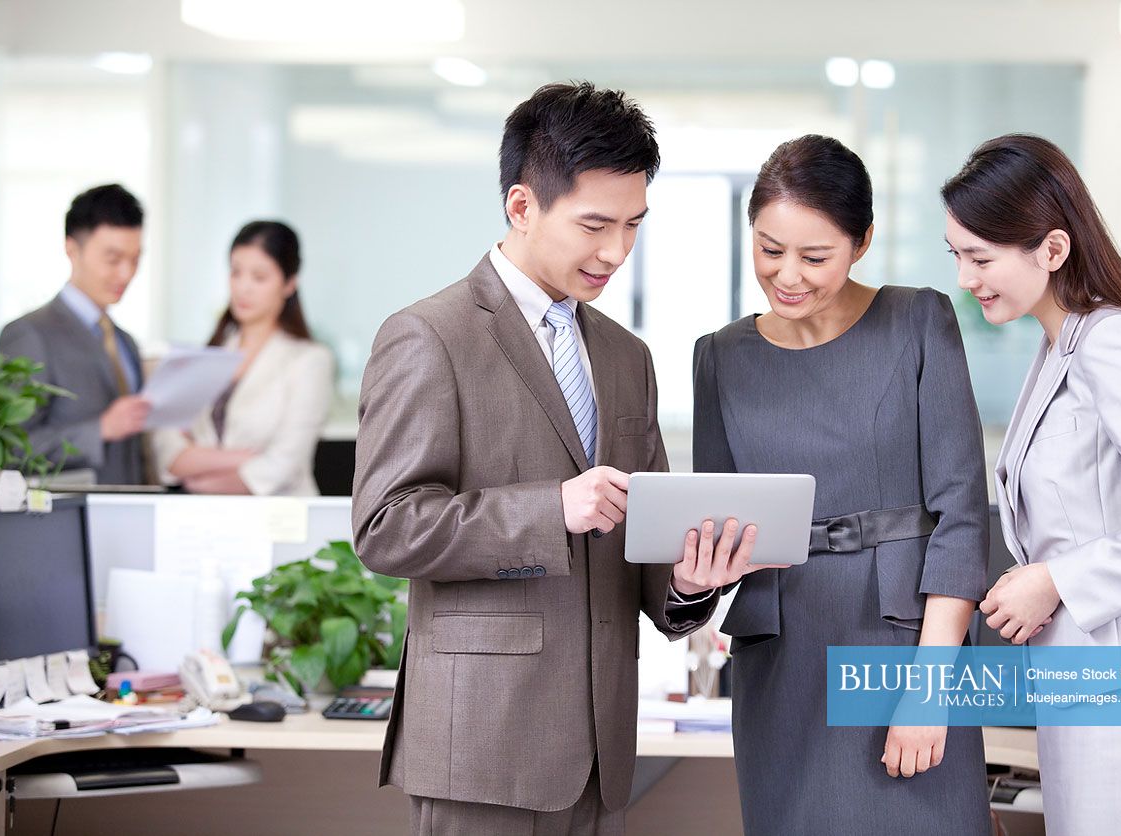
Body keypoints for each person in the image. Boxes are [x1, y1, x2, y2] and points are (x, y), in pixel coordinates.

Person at [352, 81, 763, 835]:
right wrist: (550, 509)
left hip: (602, 749)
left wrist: (689, 579)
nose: (617, 252)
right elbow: (386, 528)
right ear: (521, 207)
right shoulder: (428, 336)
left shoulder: (624, 355)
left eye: (634, 225)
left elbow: (640, 538)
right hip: (483, 743)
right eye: (595, 225)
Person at [693, 135, 992, 835]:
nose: (787, 274)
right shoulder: (718, 357)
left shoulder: (917, 321)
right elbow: (716, 520)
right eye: (769, 249)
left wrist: (928, 687)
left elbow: (960, 514)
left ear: (860, 243)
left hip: (901, 644)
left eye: (814, 255)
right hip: (781, 654)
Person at [944, 133, 1121, 835]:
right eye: (954, 255)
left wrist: (1054, 581)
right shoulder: (1058, 347)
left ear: (1050, 249)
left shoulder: (1113, 342)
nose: (964, 278)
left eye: (979, 257)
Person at [153, 221, 333, 496]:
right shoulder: (207, 354)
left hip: (280, 522)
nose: (243, 287)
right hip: (202, 520)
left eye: (259, 277)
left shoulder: (309, 361)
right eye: (236, 272)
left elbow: (284, 464)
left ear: (289, 284)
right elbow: (167, 450)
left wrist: (200, 476)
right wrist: (241, 458)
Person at [0, 184, 151, 485]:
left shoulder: (126, 342)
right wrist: (101, 429)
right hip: (65, 521)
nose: (126, 273)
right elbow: (9, 447)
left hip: (132, 515)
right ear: (72, 250)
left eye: (135, 259)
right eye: (113, 259)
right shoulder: (28, 334)